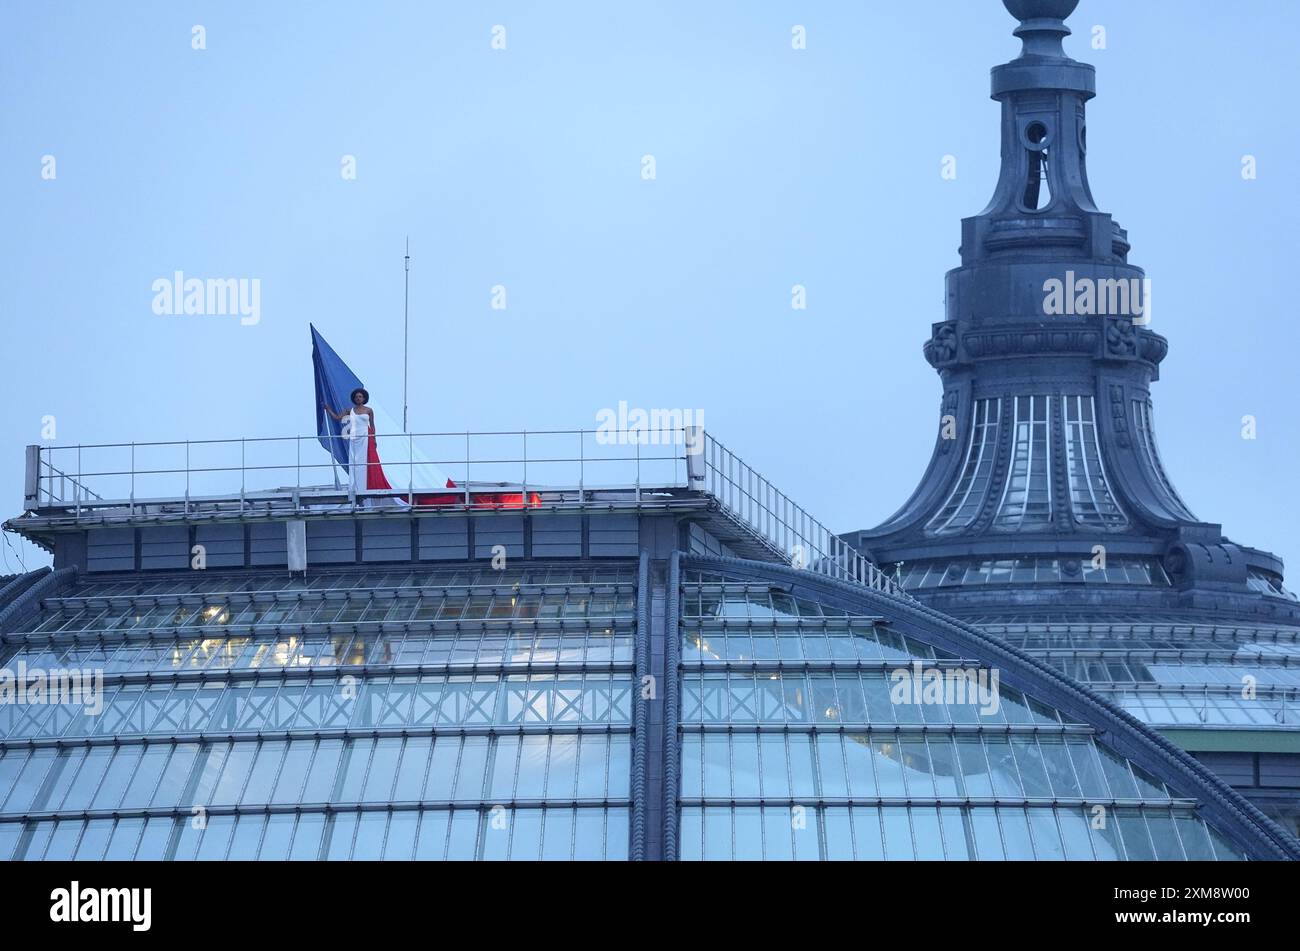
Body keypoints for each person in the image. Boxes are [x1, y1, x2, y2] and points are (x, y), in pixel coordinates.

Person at [321, 388, 376, 498]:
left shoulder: (369, 410)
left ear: (364, 398)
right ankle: (354, 486)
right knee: (354, 462)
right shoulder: (349, 410)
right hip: (355, 438)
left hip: (365, 437)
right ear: (354, 399)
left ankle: (364, 486)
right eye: (356, 397)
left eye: (360, 396)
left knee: (365, 462)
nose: (358, 398)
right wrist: (328, 409)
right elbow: (337, 417)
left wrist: (374, 439)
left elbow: (372, 425)